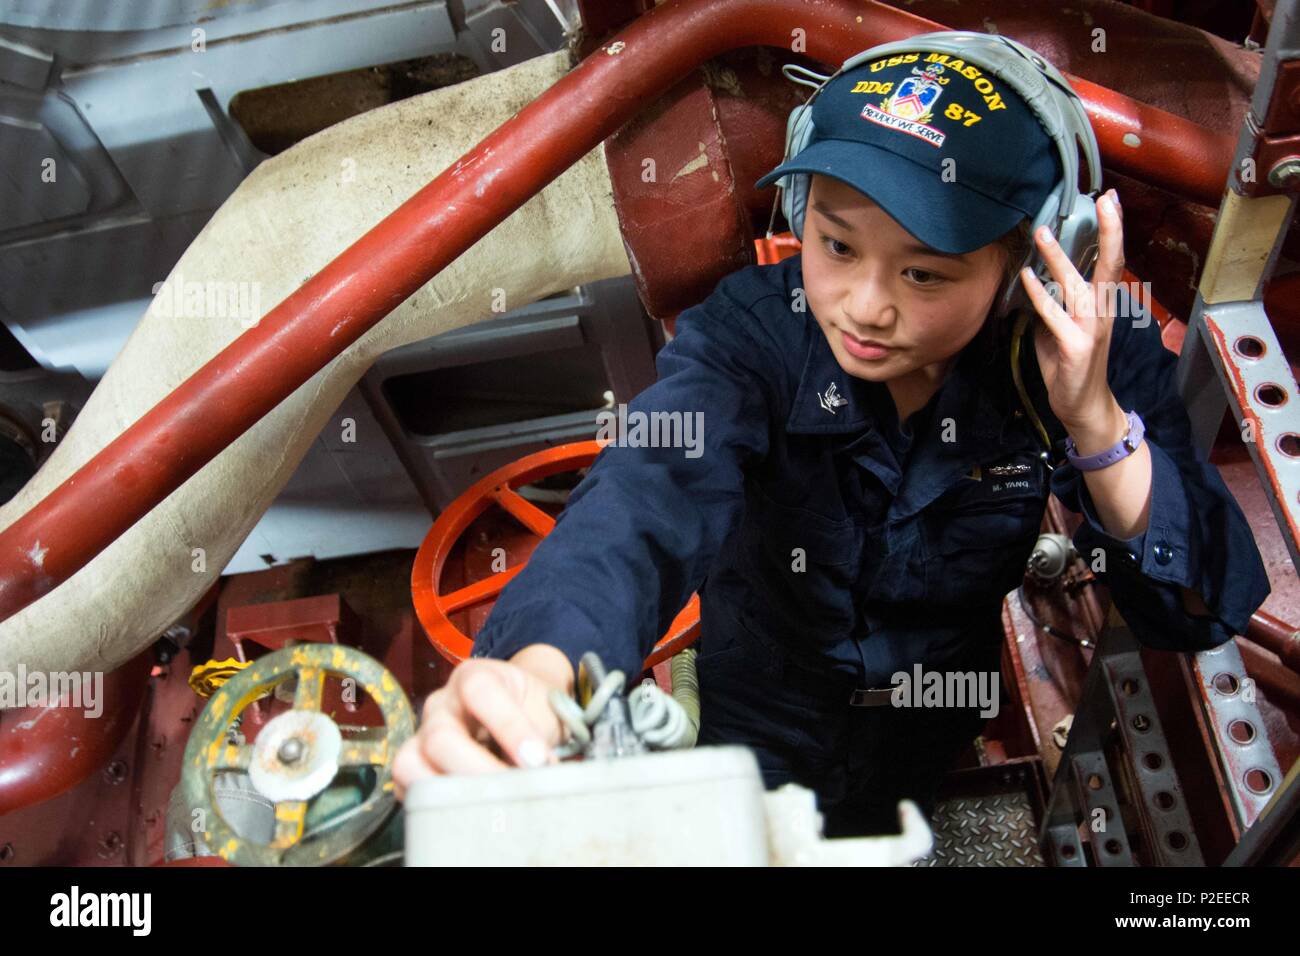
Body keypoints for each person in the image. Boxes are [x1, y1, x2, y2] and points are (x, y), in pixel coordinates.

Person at [393, 32, 1271, 837]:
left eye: (925, 272)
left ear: (1035, 261)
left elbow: (1198, 606)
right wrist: (541, 674)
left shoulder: (1085, 346)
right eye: (837, 246)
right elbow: (642, 500)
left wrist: (1093, 419)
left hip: (929, 707)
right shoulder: (751, 339)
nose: (864, 307)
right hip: (763, 705)